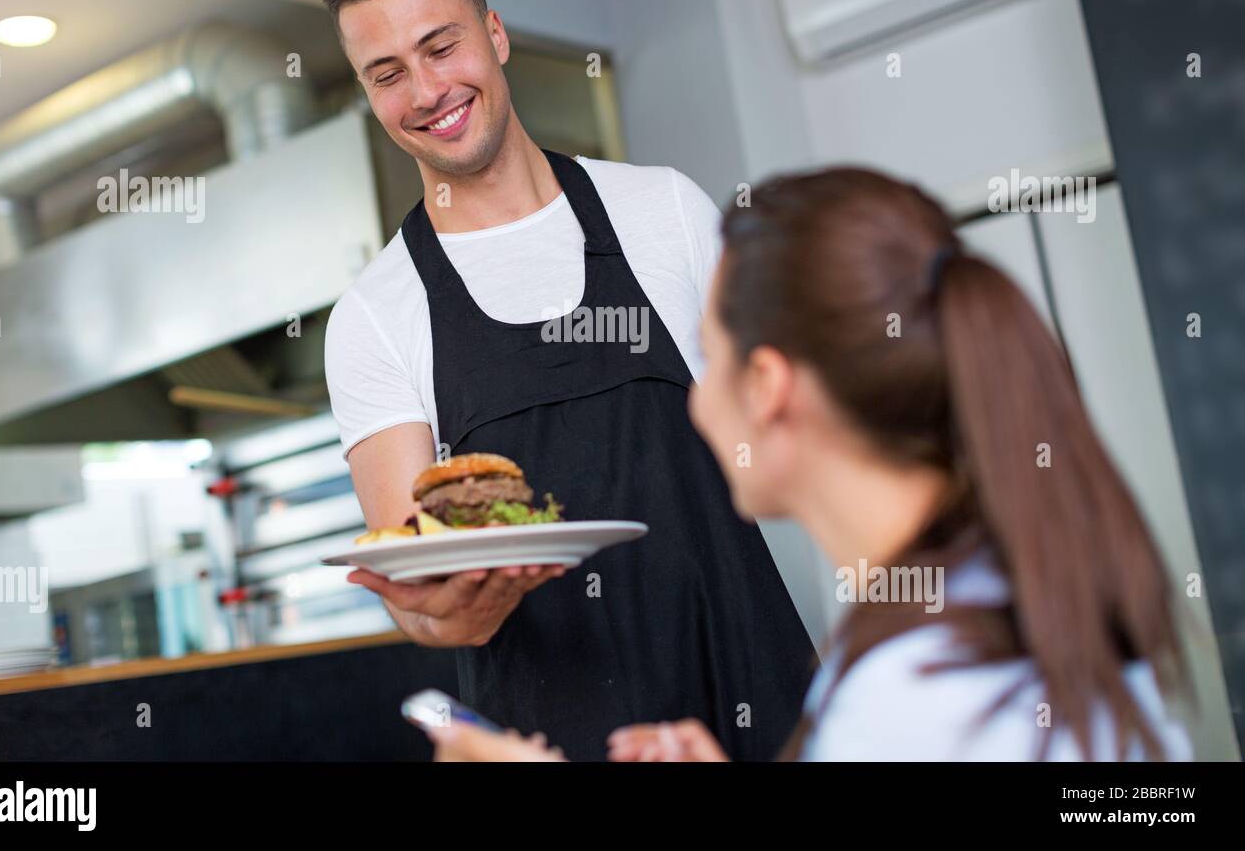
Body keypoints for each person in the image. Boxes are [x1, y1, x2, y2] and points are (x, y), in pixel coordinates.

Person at [430, 168, 1193, 761]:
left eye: (713, 361)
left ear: (767, 388)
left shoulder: (913, 688)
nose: (696, 406)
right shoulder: (999, 601)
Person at [319, 0, 813, 762]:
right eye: (388, 72)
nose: (427, 91)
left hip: (756, 703)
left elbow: (786, 438)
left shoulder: (667, 213)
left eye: (443, 47)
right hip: (553, 740)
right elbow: (412, 573)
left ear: (497, 35)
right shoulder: (374, 314)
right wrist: (440, 614)